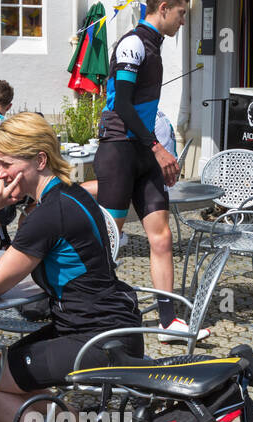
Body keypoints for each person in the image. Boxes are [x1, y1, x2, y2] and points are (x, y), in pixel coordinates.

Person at [0, 113, 144, 422]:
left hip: (94, 339)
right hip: (108, 326)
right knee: (6, 379)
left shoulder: (49, 213)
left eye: (6, 164)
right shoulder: (70, 194)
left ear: (40, 161)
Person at [93, 0, 191, 339]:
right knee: (112, 238)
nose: (182, 22)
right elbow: (121, 103)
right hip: (119, 149)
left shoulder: (155, 47)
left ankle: (167, 321)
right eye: (181, 14)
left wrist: (152, 148)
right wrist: (158, 147)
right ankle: (99, 317)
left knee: (161, 236)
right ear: (164, 8)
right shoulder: (133, 43)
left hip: (144, 150)